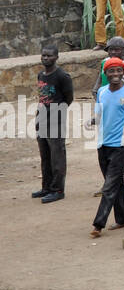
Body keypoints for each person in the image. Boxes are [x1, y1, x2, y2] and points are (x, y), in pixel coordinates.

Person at [90, 57, 124, 237]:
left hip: (122, 145)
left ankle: (98, 224)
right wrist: (90, 122)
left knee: (109, 185)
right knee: (117, 183)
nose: (115, 74)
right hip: (103, 143)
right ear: (105, 74)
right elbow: (99, 115)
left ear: (123, 72)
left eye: (118, 71)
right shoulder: (102, 91)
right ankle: (123, 218)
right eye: (111, 71)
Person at [33, 41, 73, 204]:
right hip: (41, 118)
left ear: (56, 57)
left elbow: (69, 98)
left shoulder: (62, 76)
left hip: (55, 120)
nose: (46, 58)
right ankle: (46, 187)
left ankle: (58, 190)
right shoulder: (41, 75)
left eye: (49, 56)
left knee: (57, 157)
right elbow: (42, 98)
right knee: (45, 155)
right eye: (44, 55)